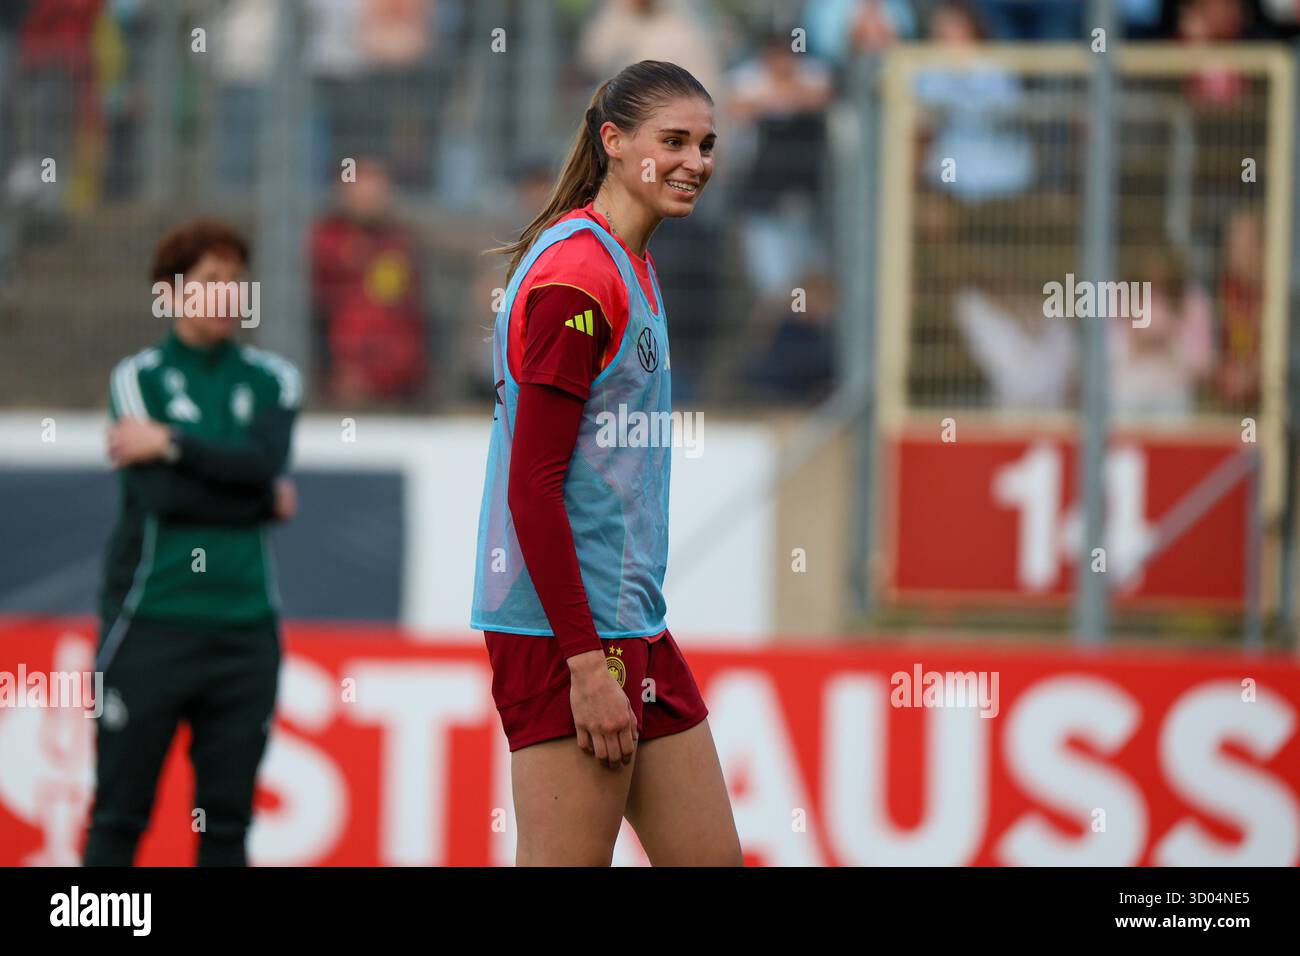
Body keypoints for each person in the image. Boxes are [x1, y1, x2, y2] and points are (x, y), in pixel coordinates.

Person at [471, 61, 741, 867]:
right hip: (571, 639)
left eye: (707, 143)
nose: (697, 160)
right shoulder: (577, 280)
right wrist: (585, 664)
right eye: (675, 141)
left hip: (633, 626)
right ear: (614, 142)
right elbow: (533, 484)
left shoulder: (629, 261)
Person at [84, 220, 301, 866]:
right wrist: (259, 501)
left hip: (244, 636)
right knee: (120, 818)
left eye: (236, 280)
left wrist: (173, 444)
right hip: (151, 627)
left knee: (227, 826)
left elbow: (262, 463)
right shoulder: (138, 378)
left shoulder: (273, 380)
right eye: (210, 281)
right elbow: (165, 499)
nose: (228, 294)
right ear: (169, 294)